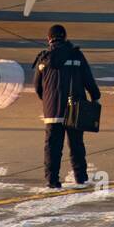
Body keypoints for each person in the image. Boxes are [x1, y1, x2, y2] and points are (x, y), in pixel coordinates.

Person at [34, 24, 101, 189]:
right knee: (76, 144)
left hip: (52, 111)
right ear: (65, 37)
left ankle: (52, 180)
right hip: (74, 109)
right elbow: (88, 79)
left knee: (52, 147)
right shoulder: (76, 55)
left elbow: (37, 86)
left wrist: (47, 101)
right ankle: (80, 177)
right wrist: (95, 97)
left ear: (49, 39)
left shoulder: (43, 58)